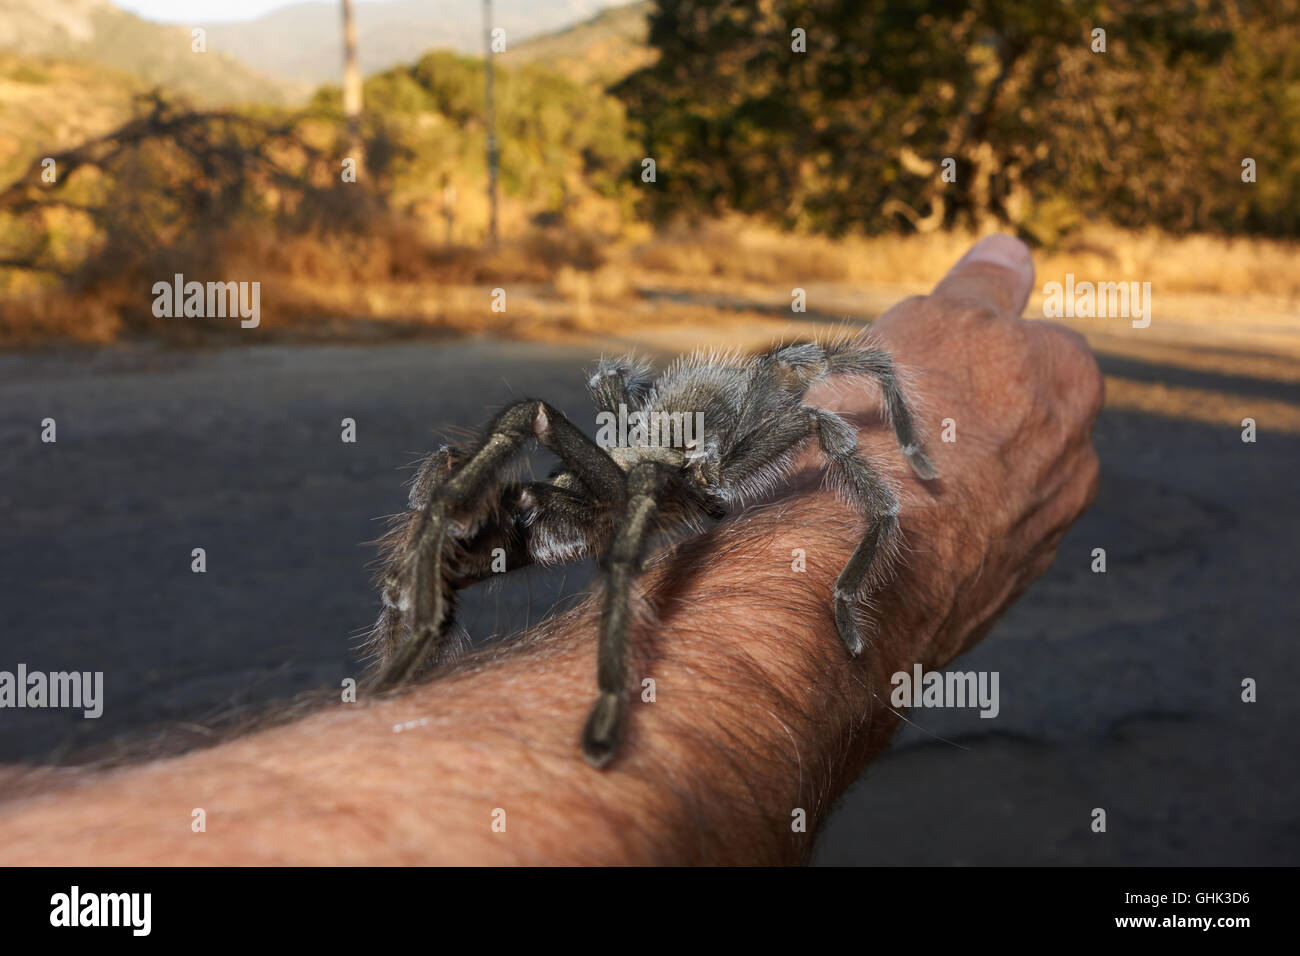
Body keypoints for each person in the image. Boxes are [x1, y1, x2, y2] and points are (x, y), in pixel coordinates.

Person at [0, 235, 1102, 865]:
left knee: (790, 423)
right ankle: (405, 652)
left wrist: (902, 459)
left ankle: (614, 692)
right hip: (643, 460)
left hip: (708, 460)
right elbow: (581, 444)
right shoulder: (609, 438)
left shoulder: (759, 411)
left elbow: (818, 409)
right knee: (482, 464)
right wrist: (446, 532)